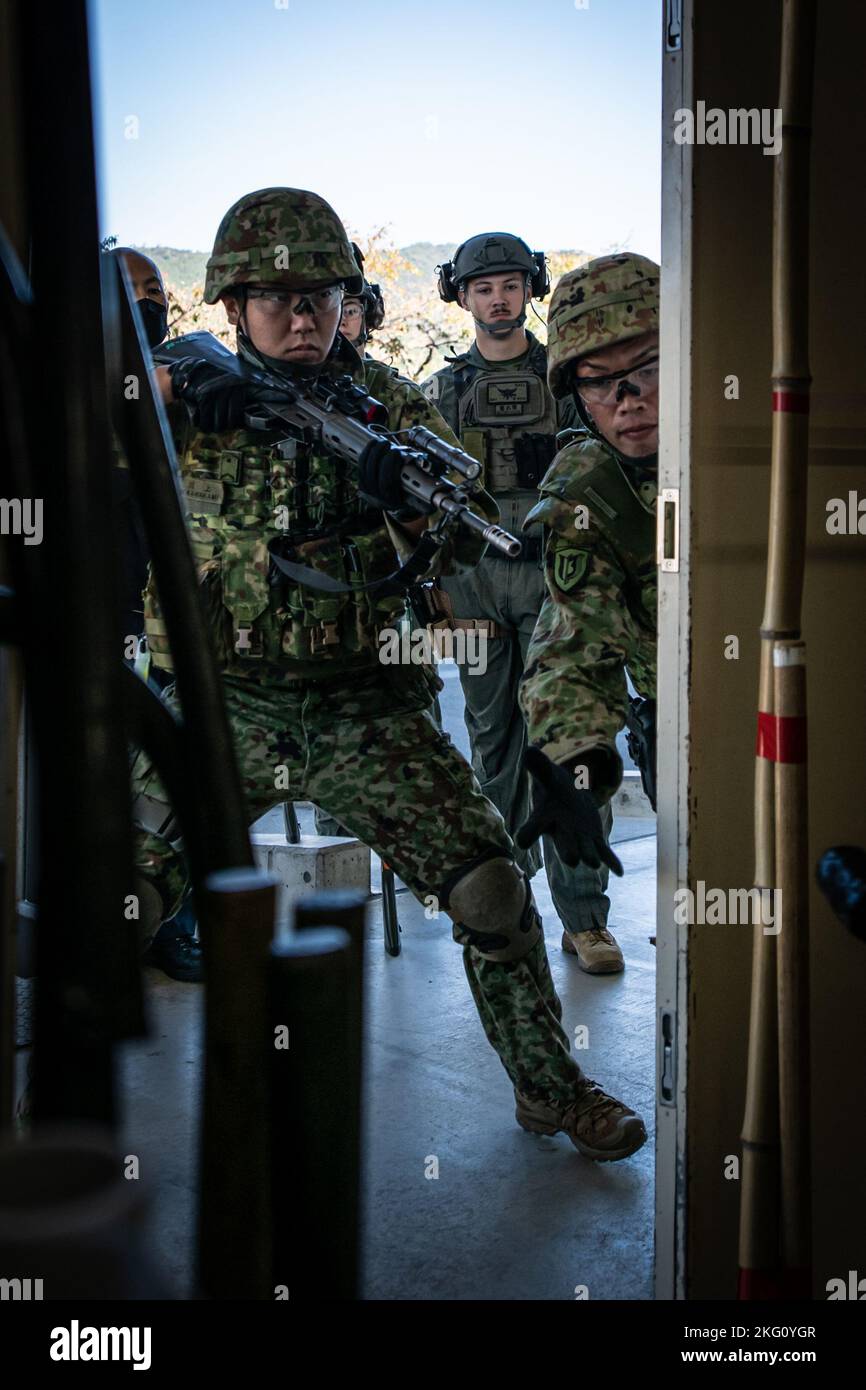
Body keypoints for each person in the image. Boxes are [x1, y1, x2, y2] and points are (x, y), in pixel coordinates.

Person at [134, 187, 646, 1162]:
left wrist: (402, 501)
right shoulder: (179, 390)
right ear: (232, 305)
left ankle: (549, 1086)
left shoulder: (388, 405)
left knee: (493, 891)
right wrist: (169, 392)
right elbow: (74, 417)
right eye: (275, 298)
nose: (300, 317)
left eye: (320, 296)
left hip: (365, 708)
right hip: (216, 705)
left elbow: (458, 525)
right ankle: (44, 1133)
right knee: (120, 896)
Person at [421, 235, 624, 974]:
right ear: (463, 296)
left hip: (556, 584)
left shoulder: (568, 380)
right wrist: (437, 596)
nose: (498, 298)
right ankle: (511, 911)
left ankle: (586, 919)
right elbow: (421, 500)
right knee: (495, 747)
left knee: (570, 746)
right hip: (473, 585)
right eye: (483, 288)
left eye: (510, 284)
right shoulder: (440, 393)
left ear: (529, 288)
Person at [517, 254, 659, 895]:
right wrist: (575, 765)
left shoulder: (770, 443)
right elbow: (574, 646)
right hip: (686, 727)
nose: (627, 402)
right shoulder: (593, 491)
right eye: (599, 383)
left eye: (647, 369)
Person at [108, 246, 204, 984]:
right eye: (130, 289)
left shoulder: (192, 372)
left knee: (172, 778)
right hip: (99, 608)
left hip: (170, 617)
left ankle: (174, 925)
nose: (149, 301)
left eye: (157, 289)